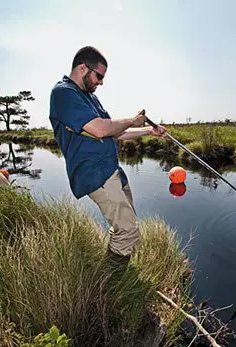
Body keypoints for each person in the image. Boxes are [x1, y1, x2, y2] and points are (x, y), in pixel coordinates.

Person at [49, 46, 167, 265]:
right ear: (83, 68)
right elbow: (100, 129)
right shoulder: (64, 93)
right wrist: (132, 120)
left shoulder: (90, 98)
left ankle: (114, 269)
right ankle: (109, 284)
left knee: (127, 222)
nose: (101, 82)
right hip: (94, 173)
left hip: (111, 170)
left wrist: (149, 131)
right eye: (99, 76)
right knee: (128, 230)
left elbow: (116, 132)